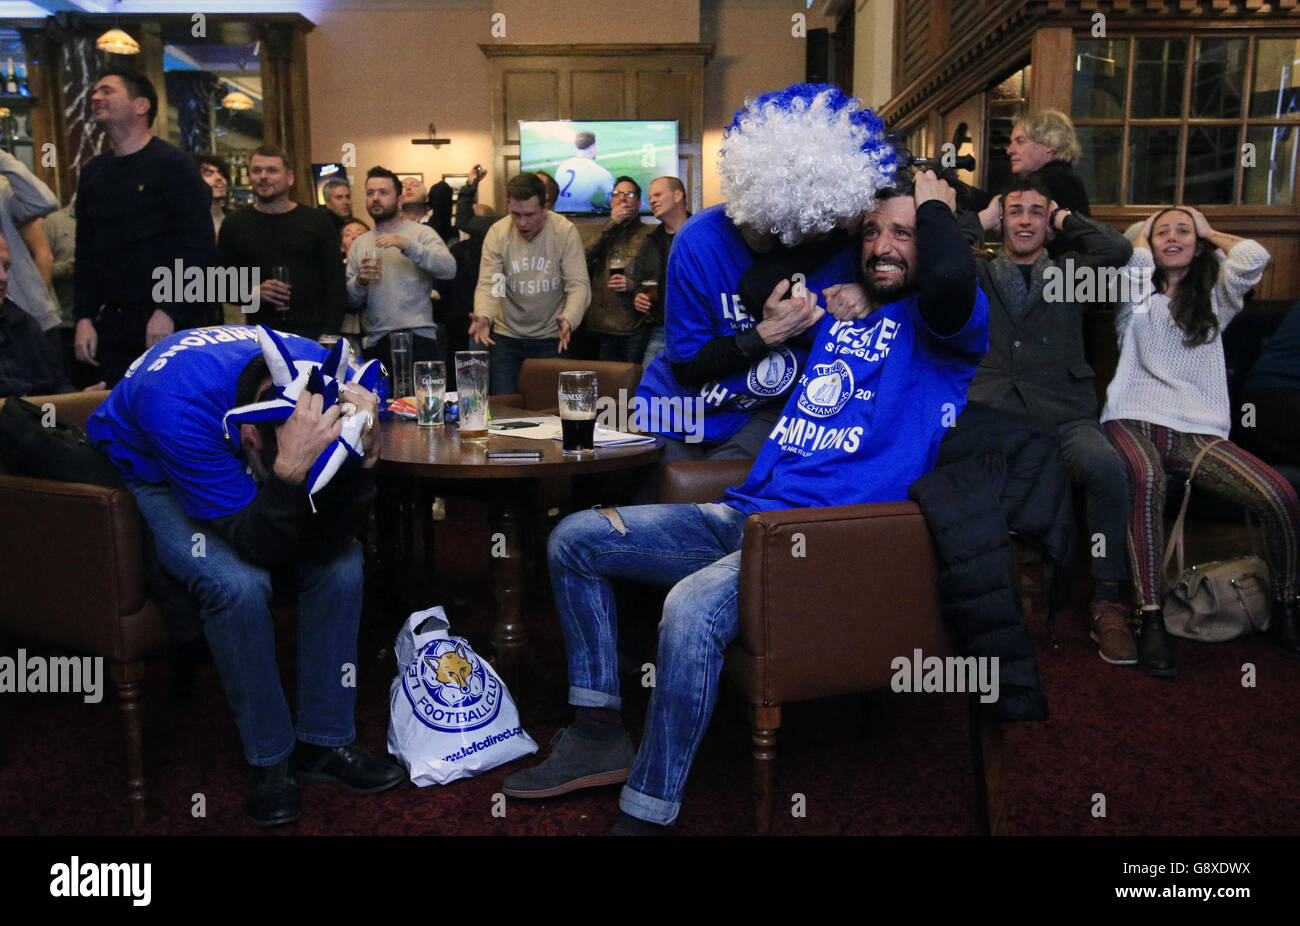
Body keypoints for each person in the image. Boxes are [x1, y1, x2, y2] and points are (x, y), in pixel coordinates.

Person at [502, 169, 988, 834]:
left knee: (691, 605)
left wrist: (938, 208)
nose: (882, 246)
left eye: (904, 233)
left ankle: (649, 808)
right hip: (744, 512)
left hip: (821, 539)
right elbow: (764, 278)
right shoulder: (841, 309)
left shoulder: (947, 331)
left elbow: (954, 281)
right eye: (871, 231)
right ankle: (597, 730)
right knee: (576, 539)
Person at [86, 325, 405, 826]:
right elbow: (259, 546)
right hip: (152, 471)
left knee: (342, 565)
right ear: (250, 437)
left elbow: (330, 533)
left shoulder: (330, 374)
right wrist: (286, 478)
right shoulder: (176, 411)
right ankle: (270, 758)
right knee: (237, 583)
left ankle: (324, 742)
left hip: (243, 440)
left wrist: (364, 461)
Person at [634, 84, 892, 463]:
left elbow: (920, 282)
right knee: (656, 511)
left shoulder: (842, 242)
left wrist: (873, 293)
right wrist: (768, 333)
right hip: (675, 412)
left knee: (726, 509)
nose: (837, 226)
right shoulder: (699, 240)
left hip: (762, 416)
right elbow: (687, 366)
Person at [1101, 207, 1300, 672]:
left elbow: (1253, 257)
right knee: (1146, 481)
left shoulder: (1216, 297)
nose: (1173, 237)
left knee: (1279, 494)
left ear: (1200, 243)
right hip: (1130, 419)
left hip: (1198, 431)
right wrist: (1145, 238)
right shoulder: (1134, 295)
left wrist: (1208, 230)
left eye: (1183, 231)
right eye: (1162, 231)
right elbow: (1134, 264)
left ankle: (1287, 605)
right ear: (1147, 243)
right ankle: (1149, 619)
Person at [960, 173, 1135, 665]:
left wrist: (1063, 217)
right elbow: (937, 256)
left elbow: (1118, 250)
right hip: (997, 412)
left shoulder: (1072, 272)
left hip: (1065, 414)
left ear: (1049, 223)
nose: (1025, 220)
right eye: (1015, 210)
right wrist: (980, 220)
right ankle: (984, 599)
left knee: (1105, 468)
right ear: (1001, 220)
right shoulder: (977, 271)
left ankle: (1106, 598)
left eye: (1036, 212)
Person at [74, 68, 215, 386]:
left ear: (141, 105)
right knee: (116, 415)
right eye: (95, 92)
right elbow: (86, 252)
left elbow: (199, 247)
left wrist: (170, 309)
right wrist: (83, 317)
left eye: (108, 91)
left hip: (168, 317)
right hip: (112, 321)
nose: (96, 97)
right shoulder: (94, 172)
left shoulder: (173, 164)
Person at [470, 173, 590, 395]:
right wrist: (485, 315)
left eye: (530, 215)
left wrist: (570, 318)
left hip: (551, 337)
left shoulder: (564, 231)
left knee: (548, 413)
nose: (522, 223)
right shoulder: (498, 233)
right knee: (506, 412)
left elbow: (578, 284)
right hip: (507, 338)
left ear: (545, 207)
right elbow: (492, 283)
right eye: (515, 214)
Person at [218, 144, 347, 341]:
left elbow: (336, 283)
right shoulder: (235, 223)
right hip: (259, 334)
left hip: (312, 334)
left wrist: (329, 334)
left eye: (272, 170)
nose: (263, 176)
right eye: (256, 170)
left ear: (290, 178)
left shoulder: (317, 221)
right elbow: (221, 284)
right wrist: (253, 292)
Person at [346, 166, 456, 365]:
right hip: (377, 341)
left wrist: (407, 245)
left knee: (420, 397)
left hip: (419, 337)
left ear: (399, 200)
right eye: (370, 193)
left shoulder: (421, 234)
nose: (375, 198)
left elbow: (448, 269)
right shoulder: (360, 243)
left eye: (383, 192)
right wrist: (360, 281)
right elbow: (350, 301)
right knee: (379, 397)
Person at [0, 232, 78, 397]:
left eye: (6, 267)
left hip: (38, 418)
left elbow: (56, 383)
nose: (4, 277)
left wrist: (77, 401)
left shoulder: (22, 323)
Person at [583, 176, 652, 362]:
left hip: (632, 326)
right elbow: (581, 259)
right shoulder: (601, 233)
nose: (622, 198)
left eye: (629, 194)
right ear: (611, 201)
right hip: (598, 326)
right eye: (616, 194)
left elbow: (657, 277)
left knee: (629, 386)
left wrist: (634, 285)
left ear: (638, 203)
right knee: (604, 386)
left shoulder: (649, 235)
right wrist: (612, 224)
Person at [630, 176, 690, 366]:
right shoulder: (651, 241)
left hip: (695, 329)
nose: (652, 200)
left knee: (693, 393)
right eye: (650, 197)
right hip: (659, 329)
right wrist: (638, 296)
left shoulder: (701, 233)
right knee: (649, 391)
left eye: (658, 194)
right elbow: (640, 282)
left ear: (678, 195)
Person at [1005, 110, 1090, 216]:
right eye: (1011, 142)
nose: (1009, 150)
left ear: (1049, 143)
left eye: (1020, 141)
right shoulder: (1071, 181)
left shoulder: (1039, 185)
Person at [553, 132, 616, 213]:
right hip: (583, 217)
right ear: (593, 148)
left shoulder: (563, 165)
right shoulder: (599, 172)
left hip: (559, 214)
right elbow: (613, 201)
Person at [196, 154, 230, 238]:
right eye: (209, 173)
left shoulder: (235, 219)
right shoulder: (186, 223)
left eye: (221, 173)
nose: (219, 177)